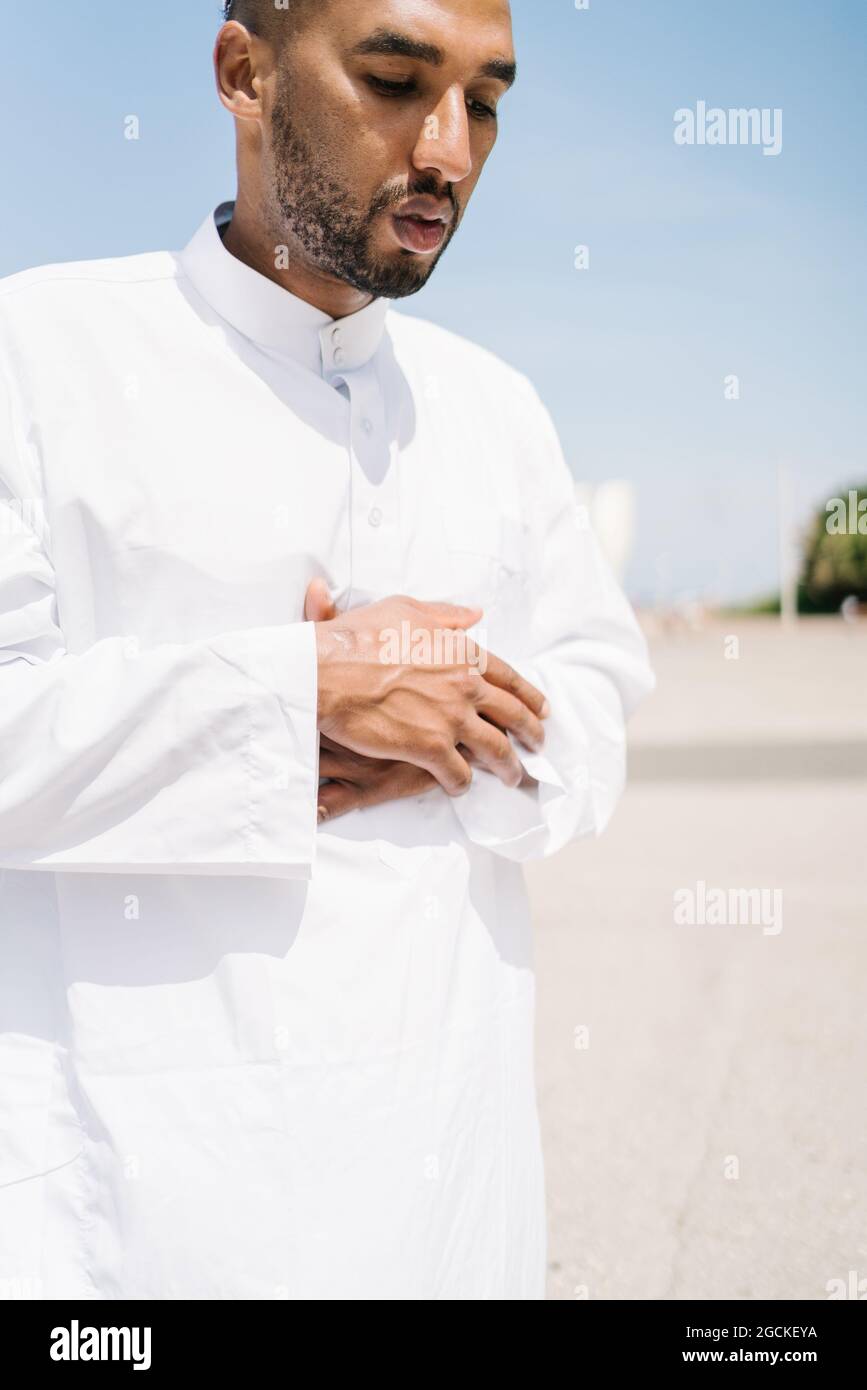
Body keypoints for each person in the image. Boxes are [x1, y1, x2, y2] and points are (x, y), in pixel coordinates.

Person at [0, 0, 654, 1300]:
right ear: (244, 74)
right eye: (399, 81)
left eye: (488, 102)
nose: (451, 153)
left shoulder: (494, 409)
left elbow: (600, 705)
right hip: (140, 1225)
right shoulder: (40, 357)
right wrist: (303, 693)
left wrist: (450, 734)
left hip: (452, 1209)